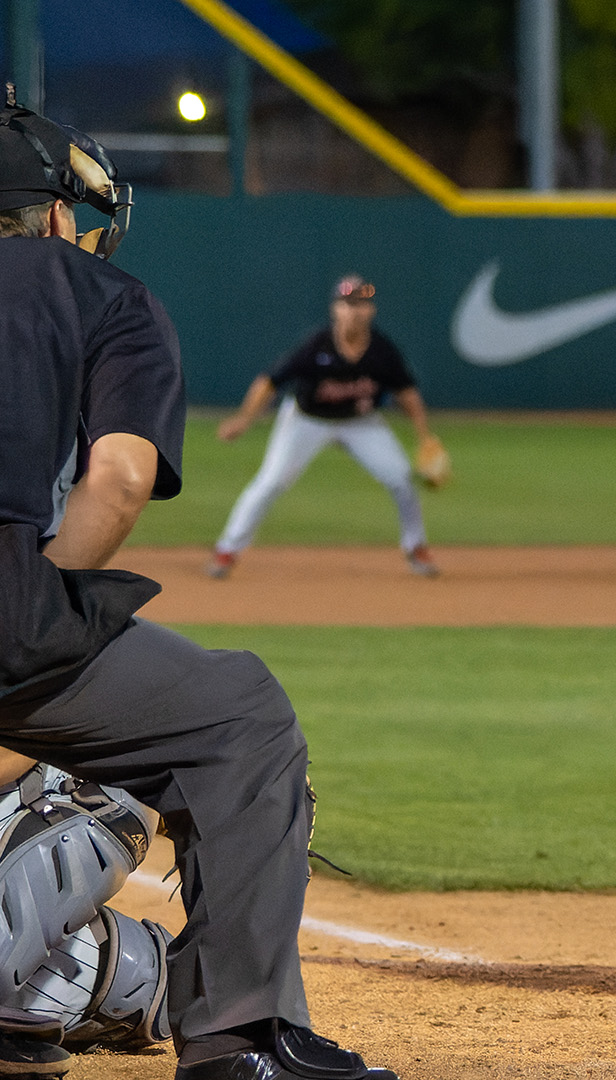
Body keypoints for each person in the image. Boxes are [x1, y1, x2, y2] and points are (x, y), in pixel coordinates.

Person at [0, 92, 398, 1080]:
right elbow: (122, 478)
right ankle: (238, 1039)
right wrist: (35, 612)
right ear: (51, 210)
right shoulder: (102, 295)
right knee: (240, 720)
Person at [207, 274, 440, 579]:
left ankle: (416, 546)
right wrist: (244, 419)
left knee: (400, 478)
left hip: (361, 423)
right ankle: (227, 550)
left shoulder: (382, 350)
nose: (355, 310)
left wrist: (424, 436)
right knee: (271, 482)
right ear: (336, 309)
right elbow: (270, 381)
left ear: (372, 310)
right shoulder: (317, 345)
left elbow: (406, 392)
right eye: (348, 303)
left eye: (362, 304)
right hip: (307, 420)